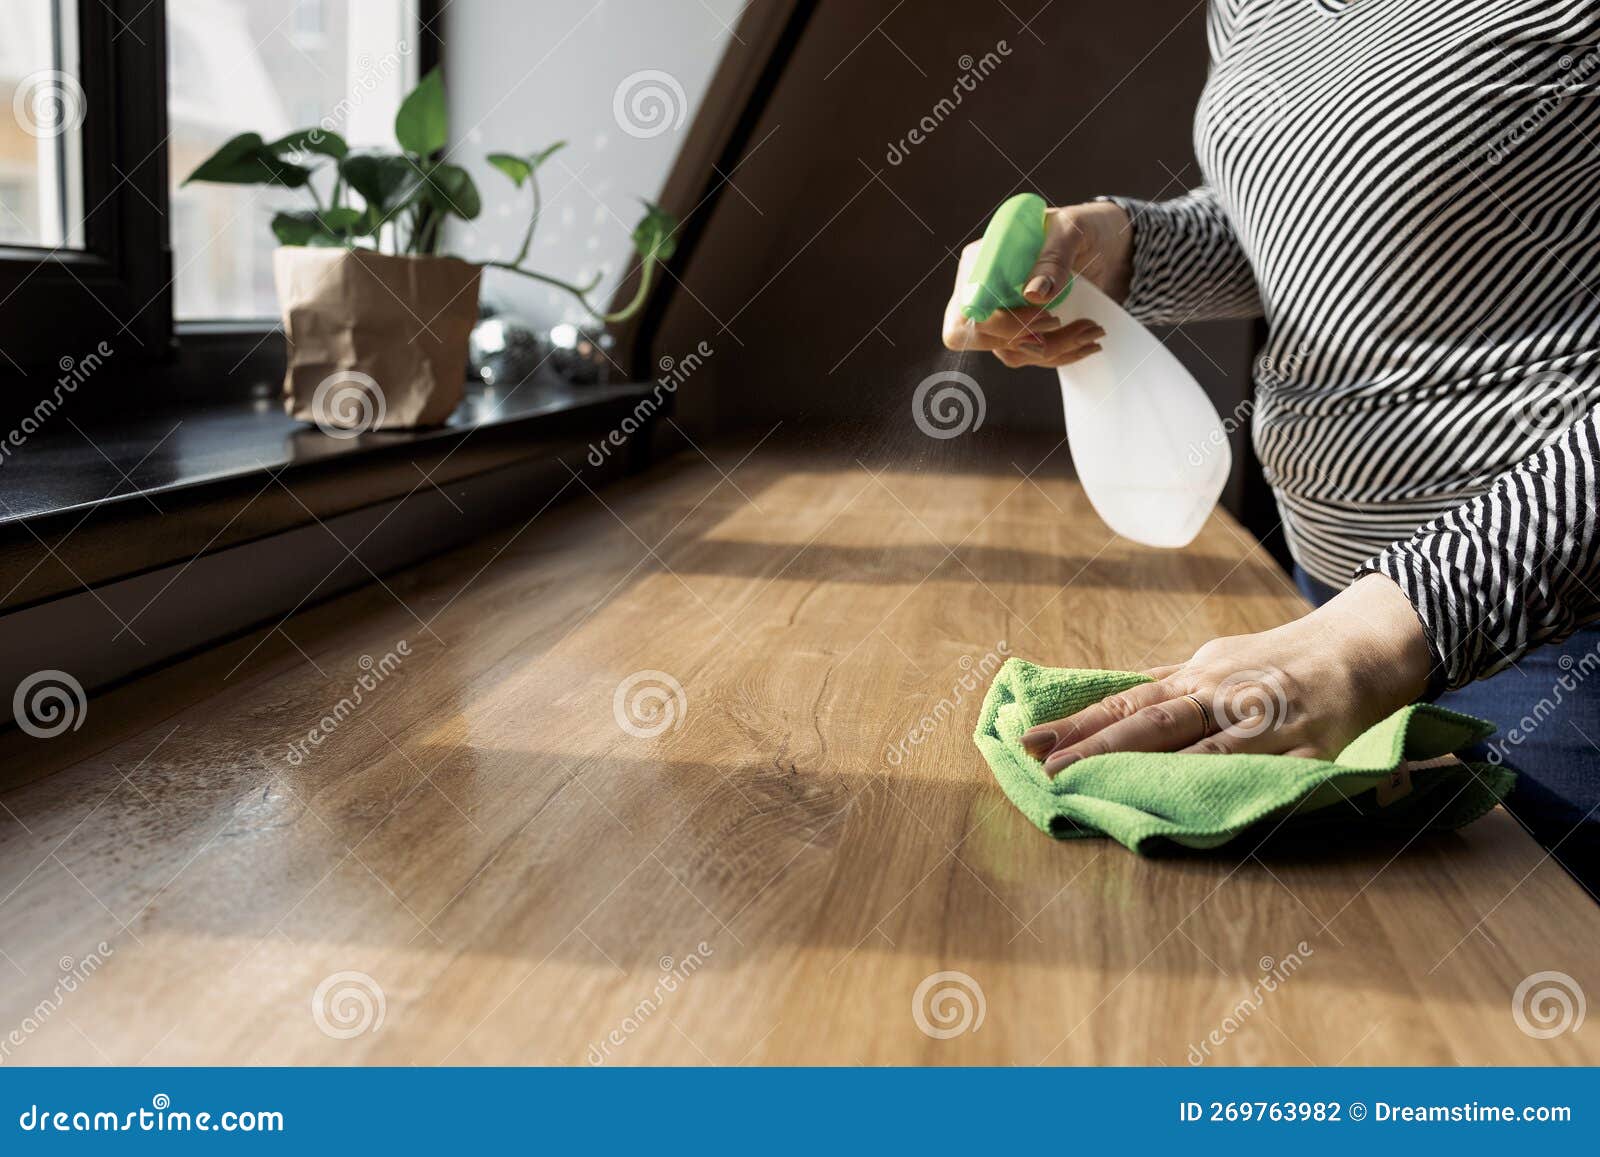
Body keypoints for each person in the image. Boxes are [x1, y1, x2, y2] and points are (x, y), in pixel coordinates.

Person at [942, 0, 1600, 888]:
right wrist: (1125, 245)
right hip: (1331, 605)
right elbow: (1315, 214)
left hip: (1549, 644)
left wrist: (1385, 632)